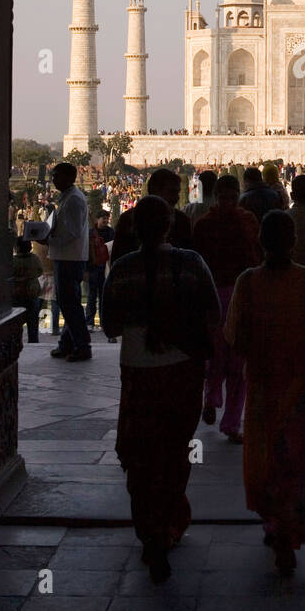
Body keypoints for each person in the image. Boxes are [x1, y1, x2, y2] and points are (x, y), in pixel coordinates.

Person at [101, 194, 220, 584]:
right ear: (170, 225)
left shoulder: (122, 268)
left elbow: (110, 326)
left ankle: (150, 529)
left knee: (139, 452)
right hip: (181, 371)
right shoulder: (191, 263)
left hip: (138, 371)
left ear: (134, 228)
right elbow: (212, 313)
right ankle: (169, 524)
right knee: (173, 449)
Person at [225, 210, 305, 575]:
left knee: (268, 463)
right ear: (293, 243)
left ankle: (277, 526)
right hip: (301, 389)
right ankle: (290, 530)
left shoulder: (248, 282)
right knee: (299, 462)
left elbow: (232, 337)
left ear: (261, 242)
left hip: (262, 389)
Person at [192, 174, 261, 441]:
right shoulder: (207, 225)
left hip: (240, 295)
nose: (229, 203)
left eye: (234, 198)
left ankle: (230, 421)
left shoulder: (245, 221)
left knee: (238, 360)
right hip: (217, 295)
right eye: (225, 198)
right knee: (217, 355)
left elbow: (255, 256)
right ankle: (212, 400)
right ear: (217, 197)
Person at [48, 162, 94, 361]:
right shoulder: (69, 197)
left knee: (70, 304)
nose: (53, 179)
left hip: (70, 257)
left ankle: (83, 346)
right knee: (69, 303)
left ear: (68, 177)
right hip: (66, 256)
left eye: (56, 176)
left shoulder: (74, 199)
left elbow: (73, 232)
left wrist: (47, 239)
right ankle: (67, 343)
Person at [111, 168, 193, 265]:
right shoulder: (129, 220)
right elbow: (118, 260)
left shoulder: (181, 220)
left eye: (177, 192)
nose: (177, 197)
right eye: (171, 192)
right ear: (155, 191)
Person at [85, 210, 114, 328]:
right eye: (103, 218)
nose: (106, 221)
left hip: (106, 268)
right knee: (92, 296)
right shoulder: (90, 233)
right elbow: (86, 252)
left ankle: (103, 321)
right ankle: (89, 322)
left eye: (107, 218)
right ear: (97, 219)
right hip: (93, 267)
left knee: (104, 296)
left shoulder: (111, 232)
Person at [12, 237, 43, 344]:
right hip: (32, 293)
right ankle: (33, 342)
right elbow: (40, 271)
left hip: (17, 293)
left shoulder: (13, 261)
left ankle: (16, 341)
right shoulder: (35, 259)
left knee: (16, 322)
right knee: (33, 322)